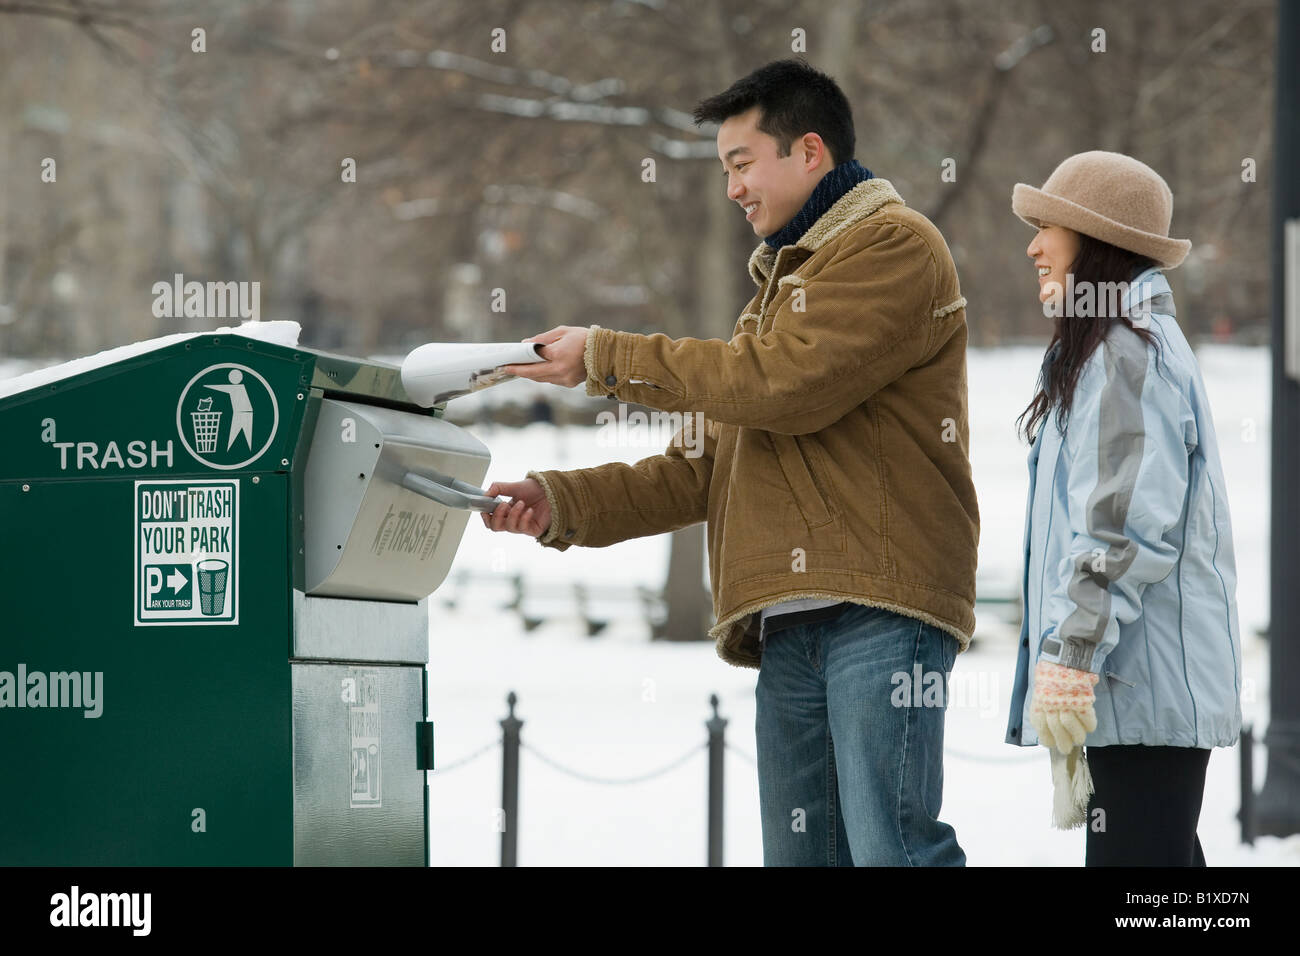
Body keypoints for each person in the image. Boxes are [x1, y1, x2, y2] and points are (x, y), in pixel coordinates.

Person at [482, 58, 978, 866]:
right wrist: (558, 502)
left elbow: (784, 385)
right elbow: (695, 469)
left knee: (898, 852)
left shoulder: (894, 246)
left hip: (879, 610)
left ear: (808, 152)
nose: (732, 189)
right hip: (787, 624)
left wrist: (607, 356)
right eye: (724, 170)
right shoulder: (775, 298)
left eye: (741, 164)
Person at [1004, 151, 1243, 866]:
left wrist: (1070, 661)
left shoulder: (1124, 352)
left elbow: (1119, 533)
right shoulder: (1117, 347)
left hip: (1136, 694)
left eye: (1049, 227)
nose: (1033, 245)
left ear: (1097, 242)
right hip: (1137, 695)